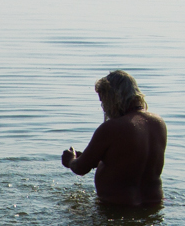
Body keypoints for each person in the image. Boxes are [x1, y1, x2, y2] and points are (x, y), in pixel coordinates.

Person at [60, 70, 167, 208]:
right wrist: (96, 159)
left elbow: (80, 168)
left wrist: (71, 160)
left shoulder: (111, 127)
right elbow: (131, 163)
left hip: (117, 208)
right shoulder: (158, 123)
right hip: (154, 205)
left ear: (112, 98)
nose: (104, 108)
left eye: (103, 101)